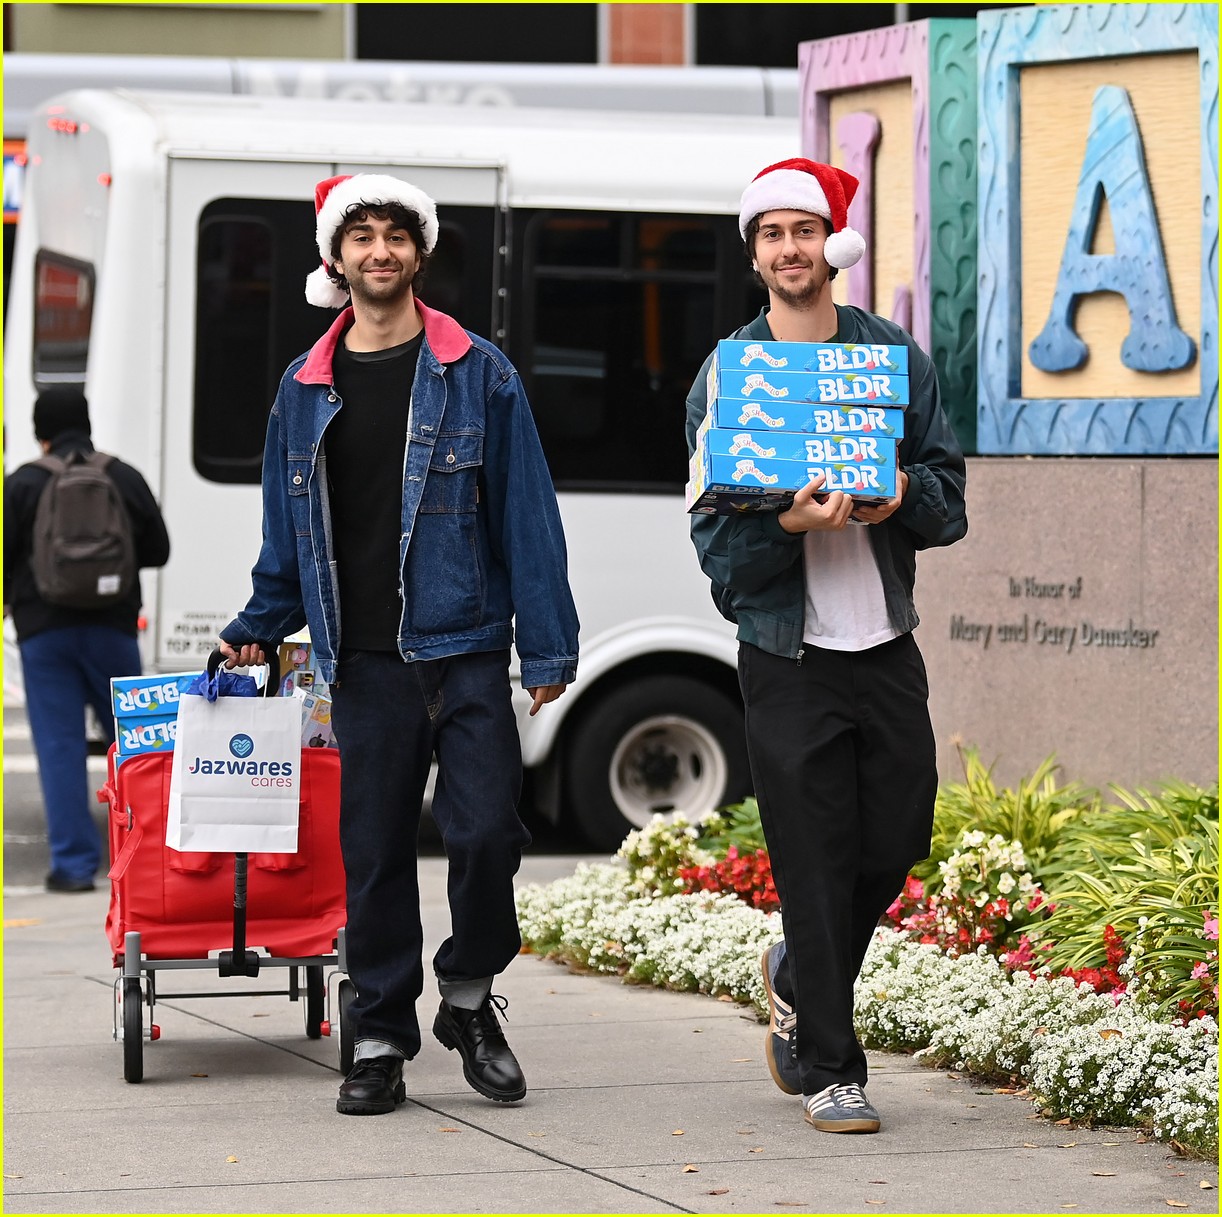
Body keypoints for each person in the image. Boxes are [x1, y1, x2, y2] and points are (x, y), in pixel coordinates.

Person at [217, 173, 579, 1117]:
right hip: (363, 662)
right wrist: (256, 628)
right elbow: (286, 537)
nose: (379, 252)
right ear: (336, 259)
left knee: (489, 833)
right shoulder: (303, 391)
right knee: (373, 852)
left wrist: (546, 648)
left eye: (396, 236)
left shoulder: (478, 372)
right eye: (362, 237)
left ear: (419, 252)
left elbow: (527, 515)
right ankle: (378, 1031)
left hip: (460, 650)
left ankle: (465, 995)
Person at [685, 158, 967, 1133]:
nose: (788, 249)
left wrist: (901, 496)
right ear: (753, 252)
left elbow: (947, 498)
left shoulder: (894, 361)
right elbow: (715, 542)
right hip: (786, 653)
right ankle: (832, 1066)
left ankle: (797, 973)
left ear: (831, 246)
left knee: (892, 841)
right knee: (811, 856)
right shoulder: (730, 374)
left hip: (884, 644)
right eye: (771, 233)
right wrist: (789, 529)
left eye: (804, 230)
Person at [4, 387, 170, 892]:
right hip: (113, 631)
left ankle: (74, 868)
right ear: (88, 423)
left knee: (59, 747)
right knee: (135, 747)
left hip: (44, 636)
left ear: (40, 433)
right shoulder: (122, 477)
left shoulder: (22, 485)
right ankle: (150, 862)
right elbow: (158, 550)